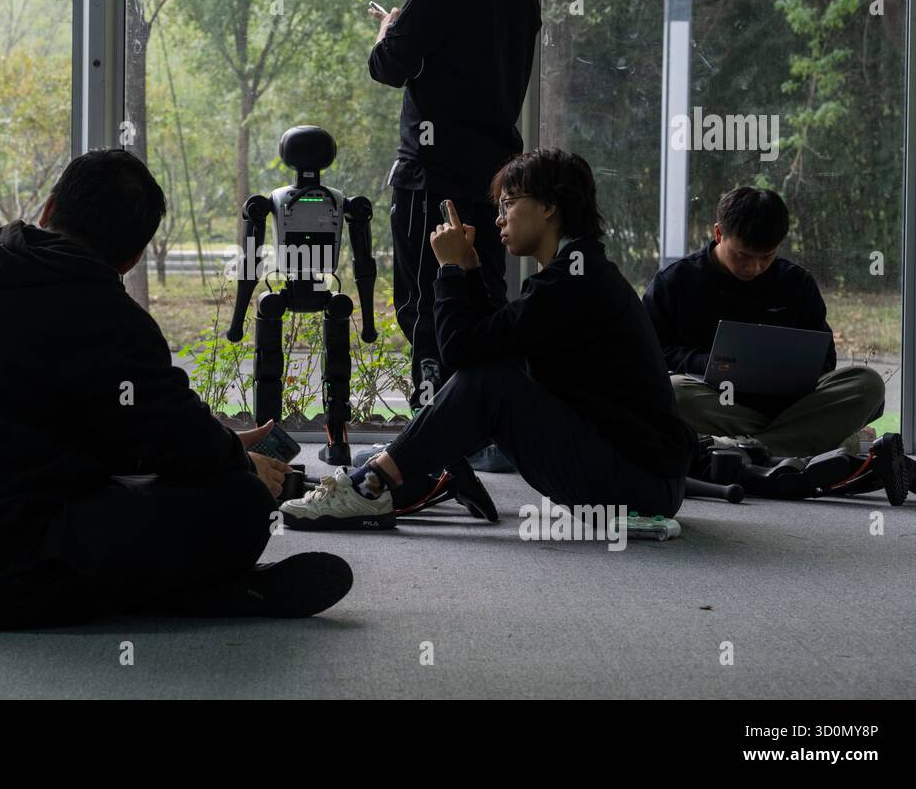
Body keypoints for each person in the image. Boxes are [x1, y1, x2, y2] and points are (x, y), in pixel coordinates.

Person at [0, 149, 353, 629]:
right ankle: (199, 590)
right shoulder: (101, 311)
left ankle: (185, 587)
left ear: (48, 209)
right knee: (239, 501)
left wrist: (213, 439)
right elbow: (179, 447)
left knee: (159, 479)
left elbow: (114, 426)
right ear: (135, 255)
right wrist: (241, 461)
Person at [281, 149, 696, 530]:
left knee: (491, 384)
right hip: (644, 480)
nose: (499, 218)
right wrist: (472, 271)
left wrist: (448, 270)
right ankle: (388, 473)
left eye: (509, 204)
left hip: (640, 490)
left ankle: (372, 484)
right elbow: (493, 341)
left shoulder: (573, 281)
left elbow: (459, 351)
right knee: (492, 376)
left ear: (550, 207)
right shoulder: (578, 270)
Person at [368, 0, 541, 417]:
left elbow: (389, 66)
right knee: (483, 301)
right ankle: (483, 424)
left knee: (424, 305)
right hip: (494, 178)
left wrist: (389, 30)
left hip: (432, 176)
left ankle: (431, 435)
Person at [642, 187, 916, 503]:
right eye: (743, 256)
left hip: (790, 406)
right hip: (718, 405)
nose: (754, 267)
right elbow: (648, 353)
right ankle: (820, 453)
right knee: (674, 393)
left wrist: (794, 372)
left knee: (866, 383)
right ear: (719, 234)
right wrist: (708, 364)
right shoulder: (676, 281)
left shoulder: (796, 283)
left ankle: (739, 454)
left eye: (767, 257)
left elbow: (826, 358)